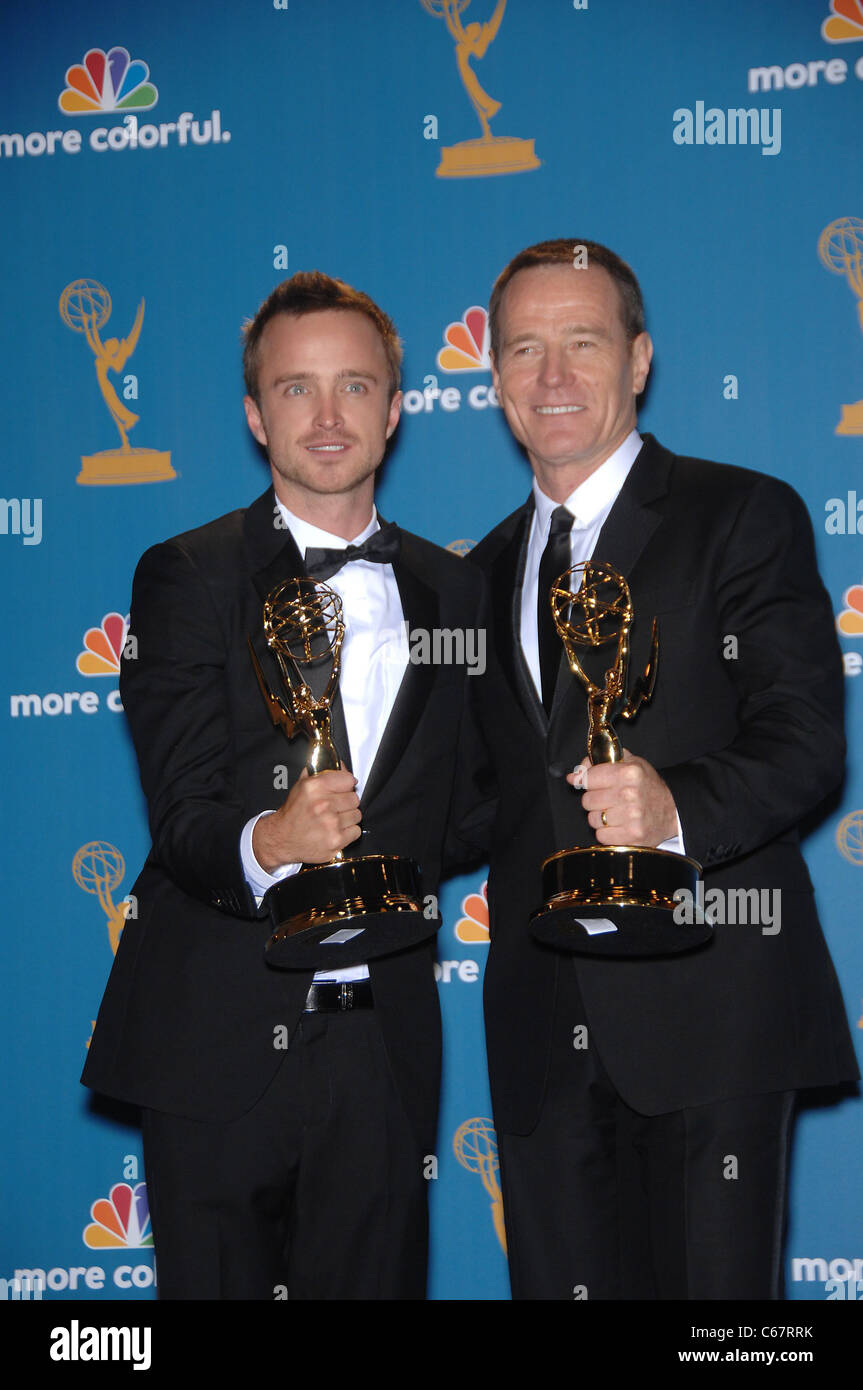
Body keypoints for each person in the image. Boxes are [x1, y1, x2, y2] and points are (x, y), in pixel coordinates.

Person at [464, 238, 859, 1300]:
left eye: (581, 343)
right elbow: (478, 801)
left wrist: (674, 804)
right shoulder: (477, 570)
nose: (551, 377)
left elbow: (806, 739)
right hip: (542, 1028)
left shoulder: (739, 514)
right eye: (524, 348)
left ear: (638, 360)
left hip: (711, 1012)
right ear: (493, 374)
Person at [82, 271, 484, 1300]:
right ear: (256, 416)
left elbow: (473, 804)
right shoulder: (185, 573)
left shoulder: (455, 589)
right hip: (215, 1029)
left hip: (381, 1037)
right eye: (295, 389)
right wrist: (272, 839)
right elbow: (179, 812)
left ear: (396, 409)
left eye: (354, 386)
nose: (326, 413)